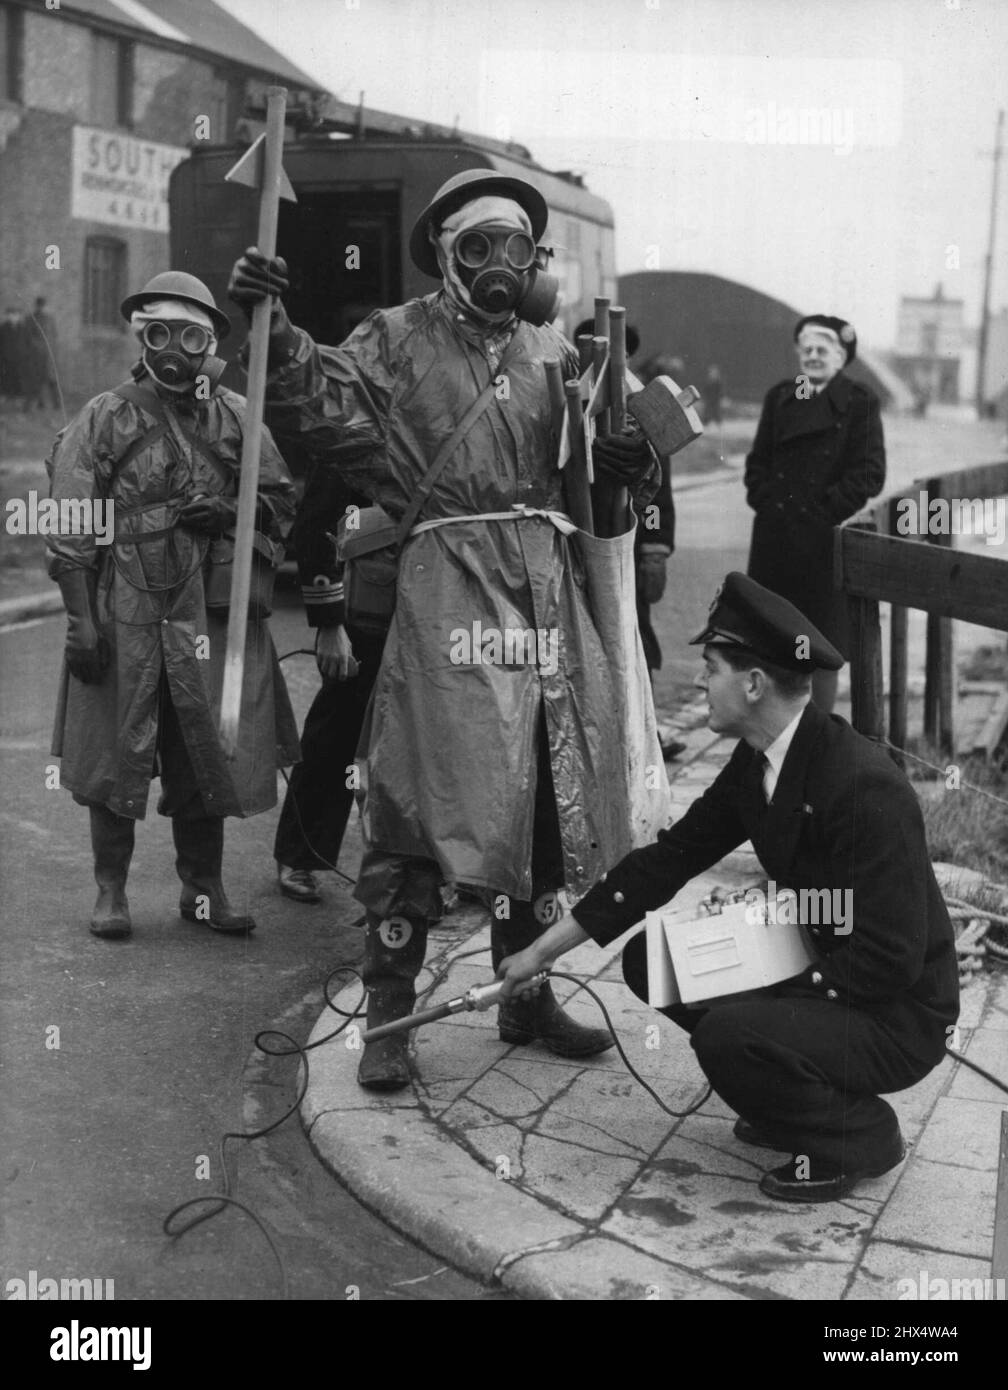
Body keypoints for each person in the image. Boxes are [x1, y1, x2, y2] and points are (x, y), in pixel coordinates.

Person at [229, 167, 662, 1089]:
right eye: (479, 246)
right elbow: (313, 398)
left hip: (545, 599)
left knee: (546, 796)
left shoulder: (555, 355)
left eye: (517, 247)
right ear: (444, 255)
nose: (501, 263)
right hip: (447, 594)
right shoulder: (395, 340)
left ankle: (525, 991)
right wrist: (269, 321)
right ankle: (389, 1013)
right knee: (420, 802)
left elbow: (593, 489)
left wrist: (629, 464)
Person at [496, 573, 959, 1204]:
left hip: (895, 1011)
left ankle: (861, 1136)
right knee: (655, 961)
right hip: (832, 966)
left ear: (753, 683)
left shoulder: (860, 785)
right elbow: (669, 859)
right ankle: (789, 1097)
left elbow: (890, 959)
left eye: (709, 667)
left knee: (730, 1034)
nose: (697, 682)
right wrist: (543, 951)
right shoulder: (759, 759)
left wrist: (761, 998)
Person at [45, 271, 300, 941]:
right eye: (159, 333)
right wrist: (80, 619)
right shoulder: (105, 415)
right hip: (122, 599)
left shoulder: (239, 416)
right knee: (112, 749)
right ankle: (111, 890)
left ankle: (205, 888)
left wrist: (230, 512)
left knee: (205, 747)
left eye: (191, 336)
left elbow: (280, 502)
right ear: (141, 338)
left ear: (211, 343)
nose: (175, 351)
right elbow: (71, 520)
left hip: (208, 608)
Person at [744, 313, 886, 713]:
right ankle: (772, 731)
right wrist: (769, 503)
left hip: (822, 543)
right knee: (772, 642)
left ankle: (817, 735)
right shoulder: (782, 397)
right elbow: (757, 464)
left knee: (820, 645)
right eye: (806, 349)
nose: (813, 356)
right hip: (775, 538)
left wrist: (824, 512)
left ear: (840, 357)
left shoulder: (859, 402)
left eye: (822, 349)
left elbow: (869, 474)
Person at [272, 464, 382, 904]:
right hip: (365, 610)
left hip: (433, 609)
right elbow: (316, 527)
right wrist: (330, 623)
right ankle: (303, 852)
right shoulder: (352, 435)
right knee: (336, 732)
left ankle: (423, 875)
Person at [574, 321, 683, 760]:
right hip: (580, 540)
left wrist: (656, 551)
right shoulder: (573, 399)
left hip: (628, 548)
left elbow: (660, 491)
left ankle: (645, 736)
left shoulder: (642, 405)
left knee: (635, 637)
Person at [25, 296, 61, 412]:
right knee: (37, 380)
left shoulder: (50, 318)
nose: (41, 308)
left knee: (52, 380)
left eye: (43, 306)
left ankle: (57, 404)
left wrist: (52, 350)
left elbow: (54, 335)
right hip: (37, 355)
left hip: (49, 355)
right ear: (36, 306)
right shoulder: (31, 319)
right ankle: (40, 404)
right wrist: (38, 347)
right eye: (39, 306)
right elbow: (29, 337)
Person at [0, 306, 26, 411]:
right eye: (11, 315)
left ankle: (18, 400)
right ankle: (4, 397)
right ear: (7, 316)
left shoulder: (23, 328)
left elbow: (27, 343)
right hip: (5, 359)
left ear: (18, 316)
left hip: (20, 359)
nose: (13, 317)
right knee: (5, 378)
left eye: (15, 315)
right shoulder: (3, 328)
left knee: (18, 378)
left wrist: (24, 355)